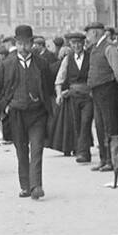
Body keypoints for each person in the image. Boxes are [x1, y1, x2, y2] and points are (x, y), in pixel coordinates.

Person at [0, 24, 57, 200]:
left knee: (36, 149)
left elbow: (49, 88)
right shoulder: (7, 64)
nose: (24, 47)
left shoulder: (42, 64)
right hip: (16, 114)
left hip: (37, 114)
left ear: (32, 43)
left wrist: (45, 104)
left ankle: (36, 186)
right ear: (16, 44)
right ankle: (25, 186)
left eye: (27, 44)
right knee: (21, 151)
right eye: (20, 44)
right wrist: (5, 105)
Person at [85, 21, 118, 171]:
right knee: (100, 125)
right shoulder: (96, 48)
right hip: (97, 92)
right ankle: (104, 159)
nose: (88, 37)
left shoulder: (109, 47)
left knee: (110, 126)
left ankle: (112, 160)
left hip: (108, 91)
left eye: (88, 34)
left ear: (95, 33)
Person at [50, 32, 93, 160]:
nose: (77, 46)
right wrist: (59, 94)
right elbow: (59, 79)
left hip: (88, 96)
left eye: (79, 43)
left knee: (86, 123)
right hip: (74, 97)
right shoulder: (68, 59)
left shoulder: (90, 57)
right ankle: (83, 151)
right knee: (77, 124)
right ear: (70, 44)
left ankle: (83, 153)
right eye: (74, 43)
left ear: (83, 44)